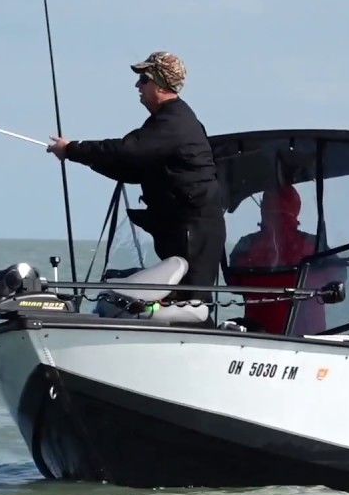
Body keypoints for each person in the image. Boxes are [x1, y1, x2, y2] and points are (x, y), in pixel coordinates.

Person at [47, 51, 225, 310]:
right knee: (177, 297)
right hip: (179, 227)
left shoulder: (174, 123)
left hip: (194, 229)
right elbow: (131, 168)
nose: (137, 86)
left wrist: (73, 149)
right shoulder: (162, 123)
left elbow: (127, 150)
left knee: (191, 301)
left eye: (144, 79)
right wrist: (79, 158)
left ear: (161, 84)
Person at [225, 182, 323, 334]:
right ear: (296, 207)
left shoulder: (248, 244)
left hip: (260, 336)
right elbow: (338, 276)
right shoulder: (313, 244)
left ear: (263, 209)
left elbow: (233, 282)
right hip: (310, 338)